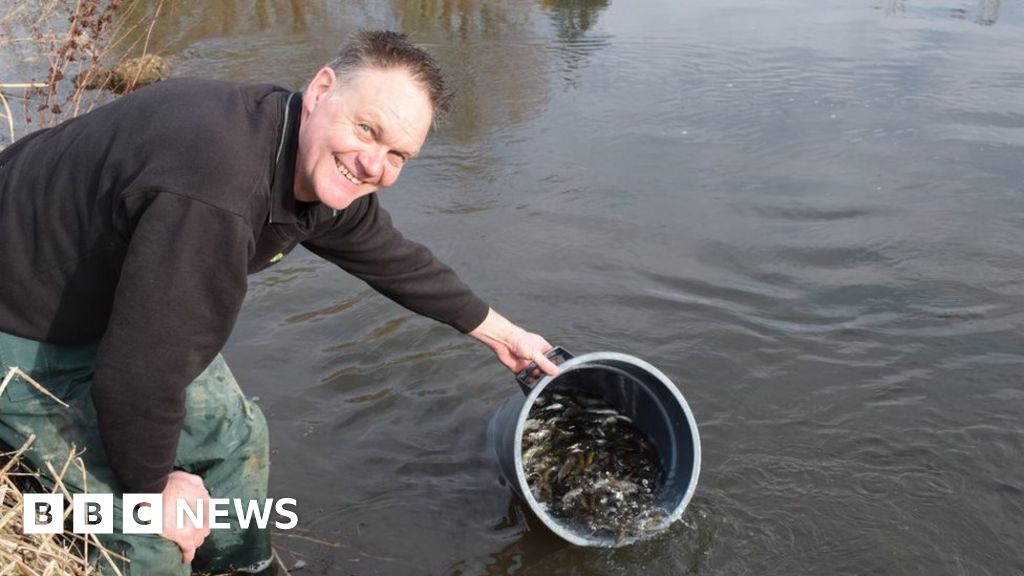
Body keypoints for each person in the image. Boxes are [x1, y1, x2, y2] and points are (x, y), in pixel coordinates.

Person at [0, 30, 560, 575]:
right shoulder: (216, 188)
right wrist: (156, 490)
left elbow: (388, 254)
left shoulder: (299, 147)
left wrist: (503, 334)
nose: (374, 165)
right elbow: (136, 379)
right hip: (20, 321)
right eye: (368, 130)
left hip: (115, 297)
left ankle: (243, 564)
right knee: (146, 542)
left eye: (398, 155)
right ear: (321, 90)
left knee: (237, 439)